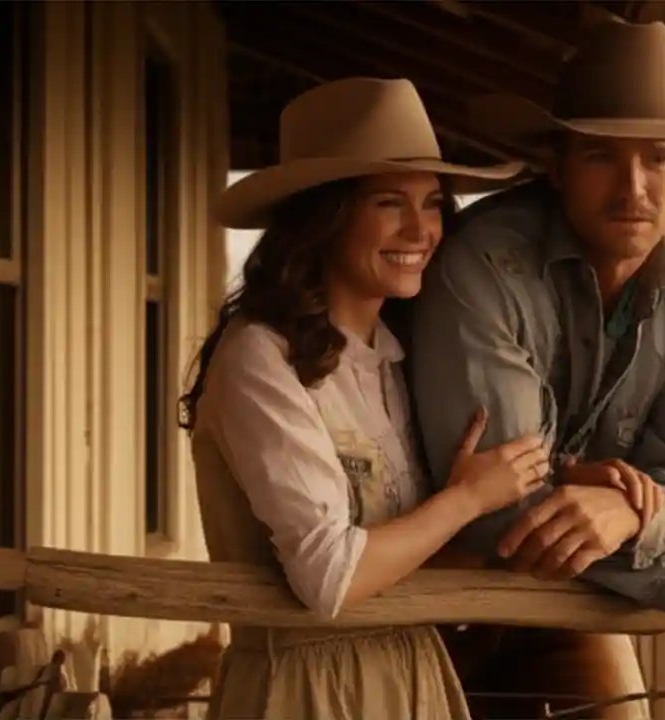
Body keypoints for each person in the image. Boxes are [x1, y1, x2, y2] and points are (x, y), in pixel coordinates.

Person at [410, 20, 665, 720]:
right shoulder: (485, 262)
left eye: (658, 158)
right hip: (423, 590)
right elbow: (500, 508)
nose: (633, 187)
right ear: (556, 166)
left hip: (573, 597)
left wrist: (629, 513)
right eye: (601, 157)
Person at [180, 77, 546, 720]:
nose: (420, 229)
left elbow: (417, 558)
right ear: (324, 215)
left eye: (432, 203)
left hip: (411, 677)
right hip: (304, 693)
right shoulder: (260, 359)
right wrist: (466, 499)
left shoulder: (398, 357)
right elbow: (330, 577)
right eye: (388, 203)